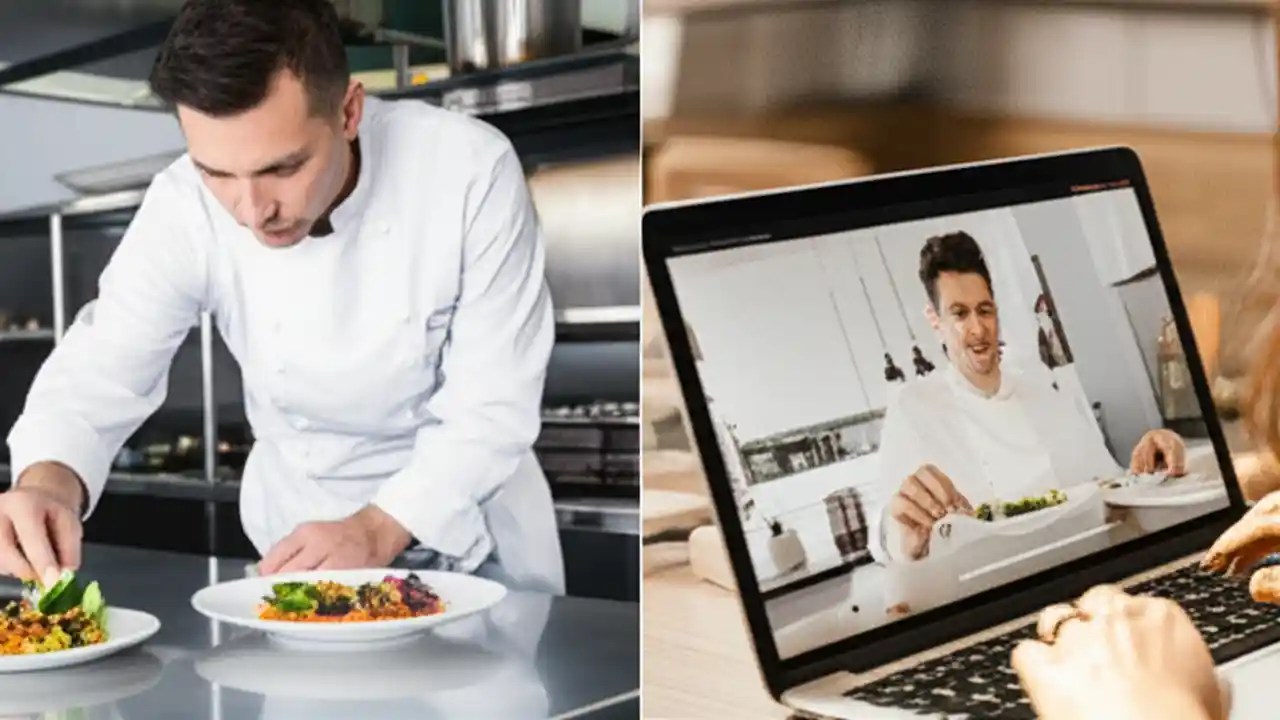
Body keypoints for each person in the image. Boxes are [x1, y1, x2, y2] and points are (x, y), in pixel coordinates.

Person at [0, 0, 563, 595]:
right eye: (216, 173)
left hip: (479, 550)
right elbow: (102, 366)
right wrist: (48, 481)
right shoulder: (182, 205)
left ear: (348, 111)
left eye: (284, 167)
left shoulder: (468, 170)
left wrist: (376, 529)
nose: (252, 209)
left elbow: (492, 407)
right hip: (301, 555)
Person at [869, 231, 1185, 563]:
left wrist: (1151, 464)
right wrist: (898, 531)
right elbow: (881, 541)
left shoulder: (1042, 392)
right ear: (935, 320)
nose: (978, 329)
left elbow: (1112, 488)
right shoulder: (914, 408)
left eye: (985, 310)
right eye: (960, 314)